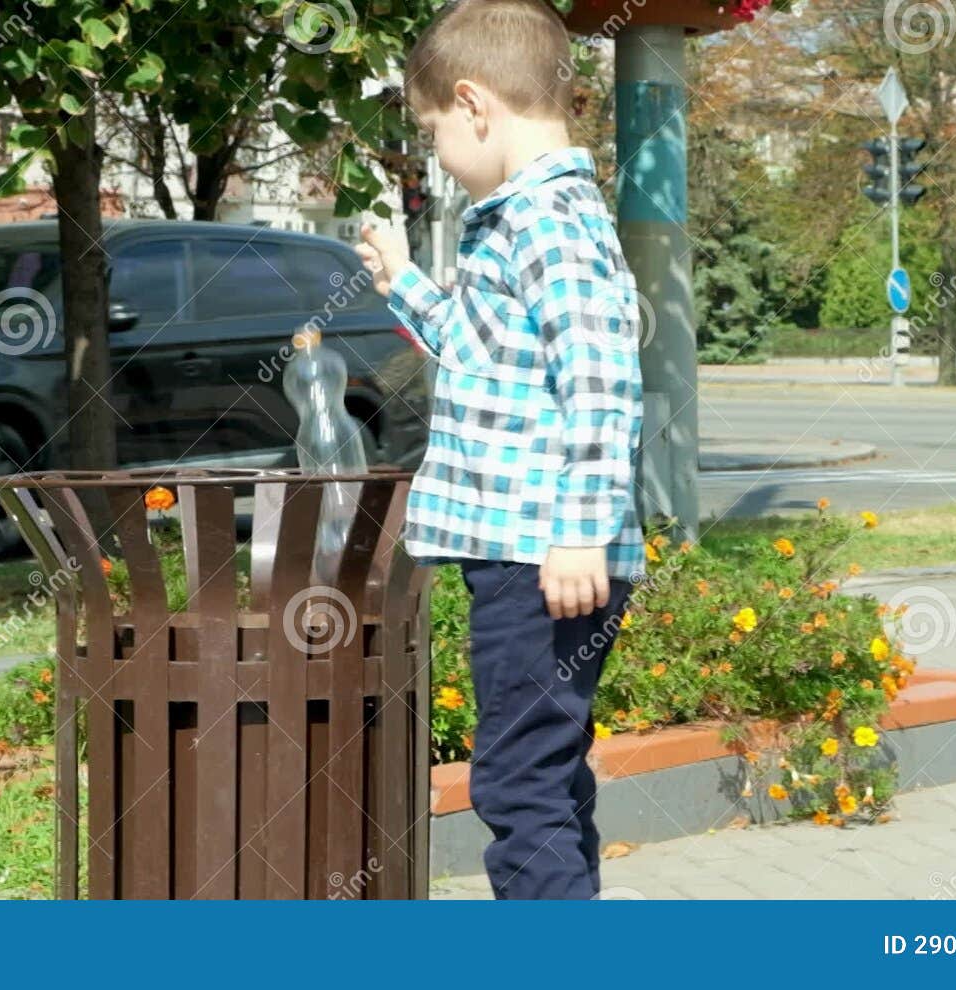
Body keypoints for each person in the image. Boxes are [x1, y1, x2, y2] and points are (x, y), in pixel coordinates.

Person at [355, 0, 644, 900]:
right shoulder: (525, 223)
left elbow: (601, 382)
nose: (437, 153)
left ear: (475, 107)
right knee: (546, 775)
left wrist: (580, 532)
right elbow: (492, 359)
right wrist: (404, 282)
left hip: (543, 554)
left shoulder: (548, 223)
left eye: (434, 130)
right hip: (529, 551)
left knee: (517, 782)